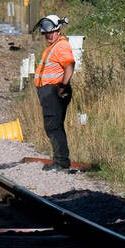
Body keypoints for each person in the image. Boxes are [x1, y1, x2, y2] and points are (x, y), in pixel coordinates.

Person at [31, 14, 77, 172]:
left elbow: (70, 65)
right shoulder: (54, 46)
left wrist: (63, 85)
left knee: (53, 127)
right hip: (50, 92)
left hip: (54, 91)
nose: (48, 35)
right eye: (45, 33)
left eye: (51, 32)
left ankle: (61, 162)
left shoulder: (61, 46)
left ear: (58, 30)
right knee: (54, 126)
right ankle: (60, 160)